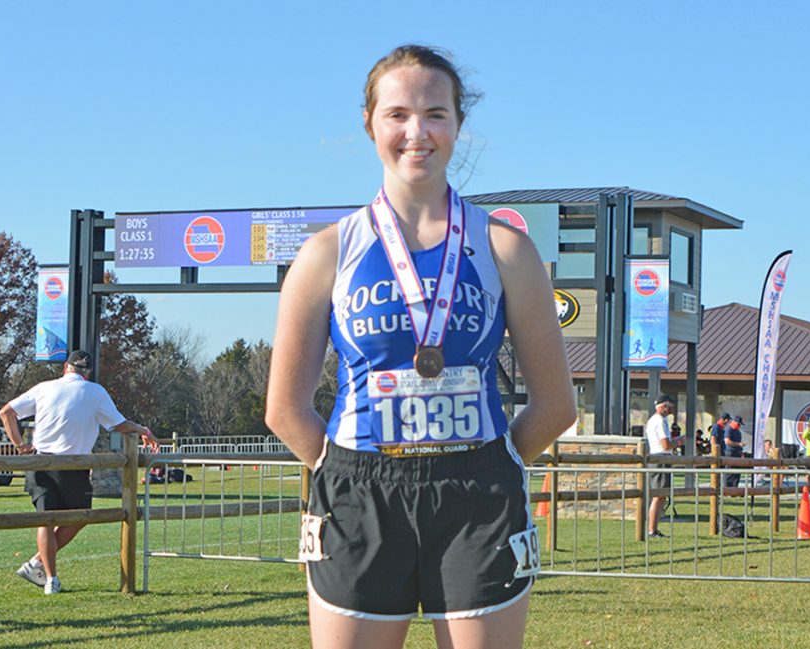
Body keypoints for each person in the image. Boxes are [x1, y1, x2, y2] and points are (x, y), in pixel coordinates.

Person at [264, 45, 575, 649]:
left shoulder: (506, 249)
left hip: (478, 492)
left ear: (459, 123)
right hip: (358, 489)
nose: (417, 132)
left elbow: (556, 404)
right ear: (369, 123)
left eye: (435, 114)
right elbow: (284, 409)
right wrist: (344, 470)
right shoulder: (327, 252)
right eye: (398, 114)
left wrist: (492, 464)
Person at [0, 350, 159, 595]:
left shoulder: (44, 387)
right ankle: (42, 569)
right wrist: (144, 431)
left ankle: (46, 575)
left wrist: (20, 445)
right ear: (88, 372)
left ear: (66, 367)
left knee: (46, 519)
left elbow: (6, 412)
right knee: (81, 517)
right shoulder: (95, 391)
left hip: (40, 461)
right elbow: (120, 425)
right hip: (75, 464)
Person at [644, 395, 683, 538]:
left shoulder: (655, 420)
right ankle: (651, 530)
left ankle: (654, 529)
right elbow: (665, 445)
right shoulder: (659, 421)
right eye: (670, 407)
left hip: (659, 458)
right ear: (663, 407)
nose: (671, 410)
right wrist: (679, 441)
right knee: (658, 496)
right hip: (660, 459)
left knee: (661, 496)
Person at [723, 416, 745, 487]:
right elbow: (727, 441)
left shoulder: (738, 432)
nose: (739, 426)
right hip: (730, 453)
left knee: (736, 473)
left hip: (738, 453)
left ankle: (735, 488)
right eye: (738, 424)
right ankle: (727, 488)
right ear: (733, 422)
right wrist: (738, 444)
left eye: (740, 425)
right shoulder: (729, 430)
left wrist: (741, 452)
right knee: (729, 472)